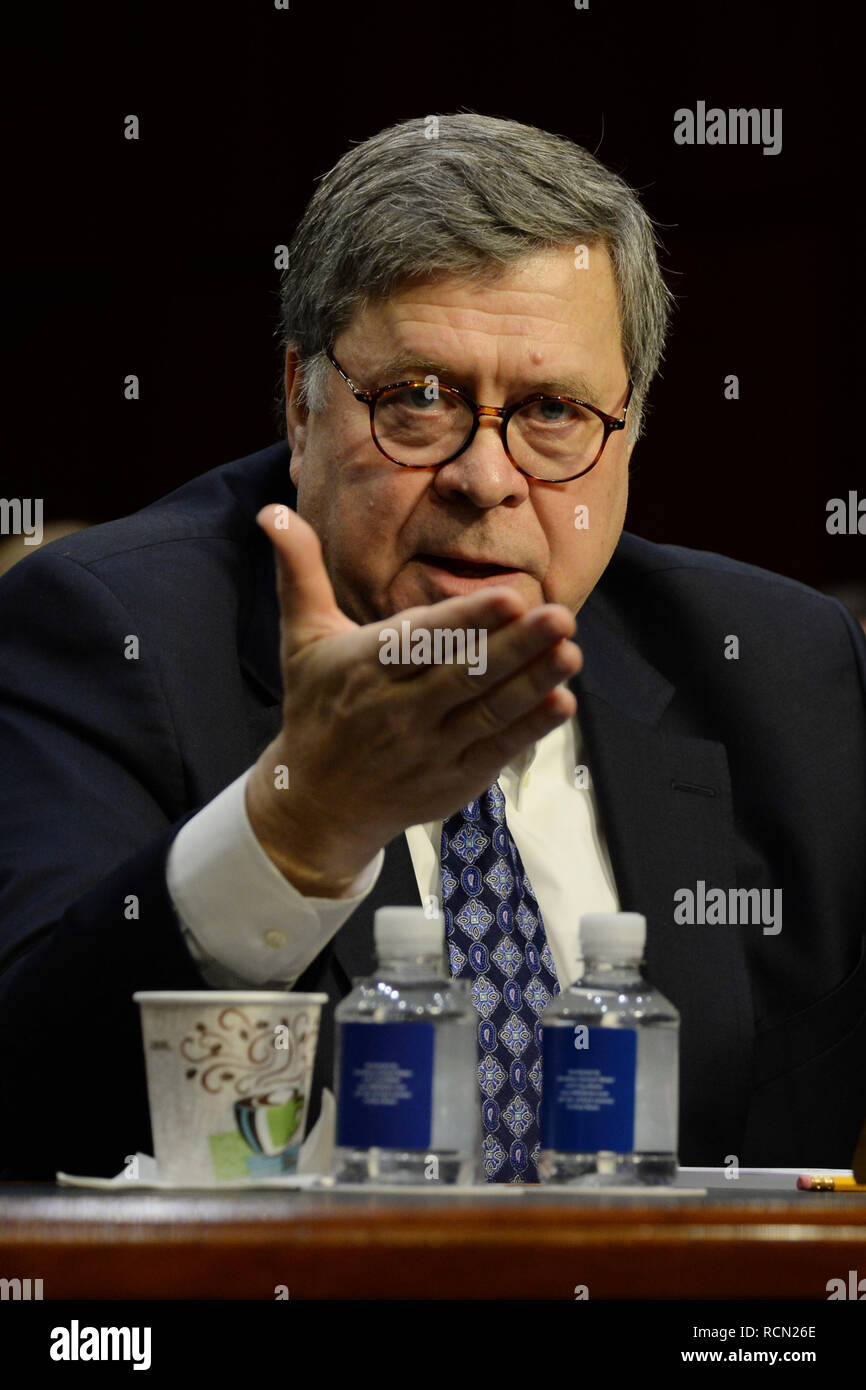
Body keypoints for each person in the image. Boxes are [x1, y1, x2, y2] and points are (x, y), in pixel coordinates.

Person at [1, 114, 864, 1183]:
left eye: (551, 411)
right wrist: (297, 823)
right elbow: (26, 1094)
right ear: (299, 404)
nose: (485, 476)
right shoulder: (110, 634)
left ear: (629, 430)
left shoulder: (777, 668)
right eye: (418, 400)